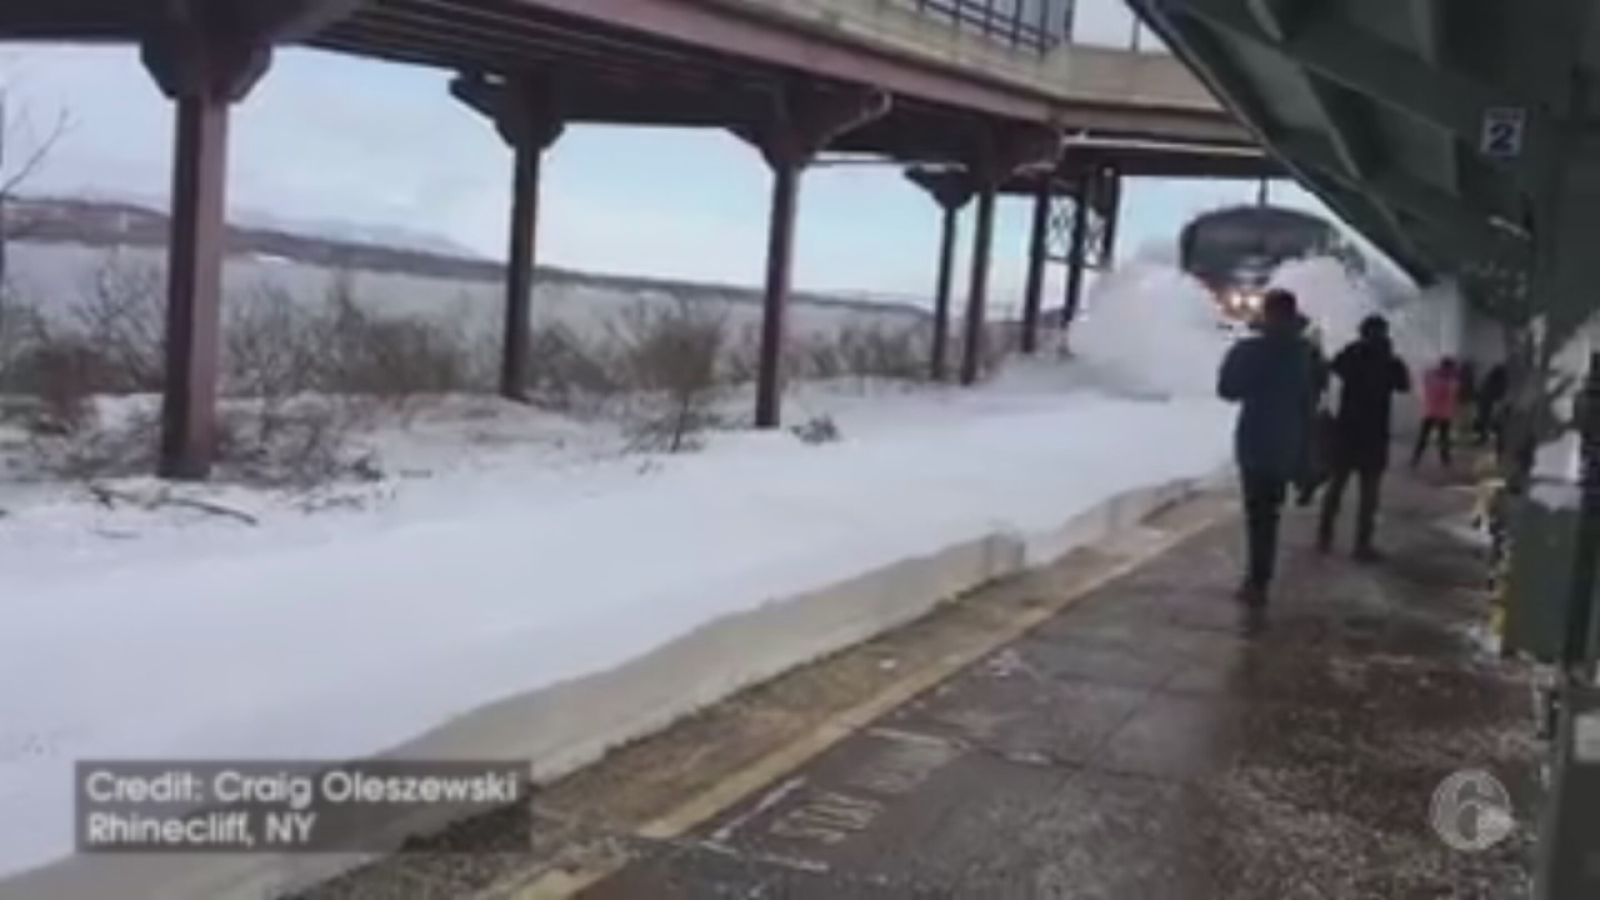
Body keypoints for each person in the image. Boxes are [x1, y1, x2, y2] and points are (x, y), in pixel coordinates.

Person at [1217, 289, 1319, 612]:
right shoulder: (1308, 354)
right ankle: (1260, 578)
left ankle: (1257, 581)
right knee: (1270, 514)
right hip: (1289, 441)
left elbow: (1228, 390)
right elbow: (1313, 400)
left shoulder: (1250, 351)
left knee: (1258, 514)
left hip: (1256, 441)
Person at [1319, 315, 1412, 561]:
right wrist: (1391, 358)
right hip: (1374, 434)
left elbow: (1334, 368)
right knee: (1368, 495)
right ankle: (1362, 545)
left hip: (1348, 431)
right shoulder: (1388, 359)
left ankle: (1324, 536)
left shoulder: (1351, 353)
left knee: (1336, 487)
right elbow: (1404, 385)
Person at [1412, 356, 1460, 468]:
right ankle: (1445, 459)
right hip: (1443, 413)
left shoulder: (1431, 375)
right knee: (1443, 437)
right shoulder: (1450, 380)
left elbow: (1424, 382)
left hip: (1430, 410)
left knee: (1424, 435)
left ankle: (1416, 458)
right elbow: (1451, 395)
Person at [1475, 362, 1508, 446]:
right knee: (1491, 422)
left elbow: (1483, 389)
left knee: (1486, 421)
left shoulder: (1490, 379)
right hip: (1491, 403)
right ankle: (1495, 439)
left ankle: (1484, 438)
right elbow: (1501, 393)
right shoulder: (1502, 381)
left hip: (1487, 403)